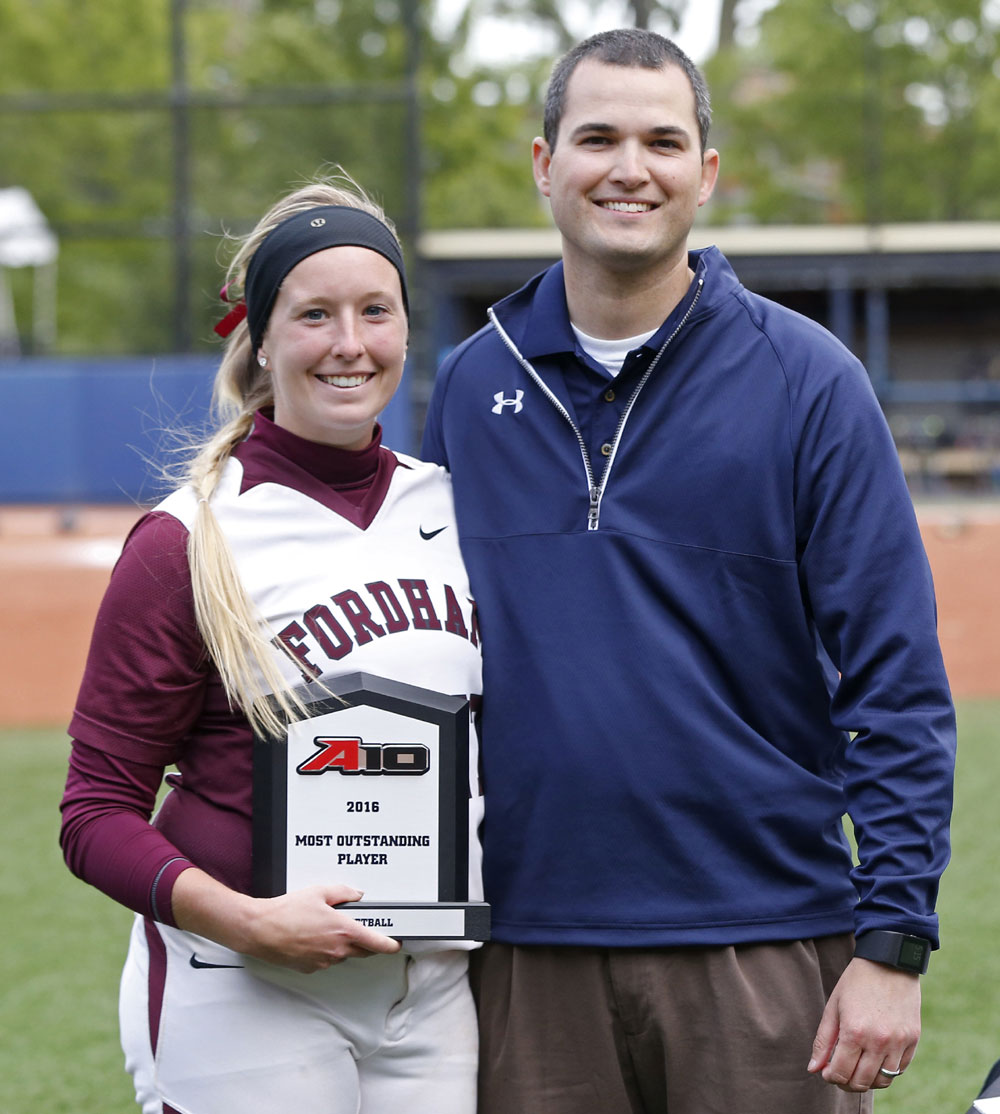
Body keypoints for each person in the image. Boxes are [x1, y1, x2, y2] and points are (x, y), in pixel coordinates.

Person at [421, 27, 955, 1114]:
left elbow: (893, 678)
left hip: (759, 940)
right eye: (597, 137)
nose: (630, 167)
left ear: (704, 175)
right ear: (543, 164)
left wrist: (892, 941)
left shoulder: (809, 379)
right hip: (526, 944)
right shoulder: (470, 386)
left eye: (663, 140)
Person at [60, 176, 483, 1114]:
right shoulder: (190, 538)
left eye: (376, 311)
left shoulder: (457, 509)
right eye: (314, 314)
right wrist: (248, 922)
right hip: (244, 985)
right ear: (259, 337)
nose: (349, 344)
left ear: (405, 330)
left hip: (435, 990)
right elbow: (93, 814)